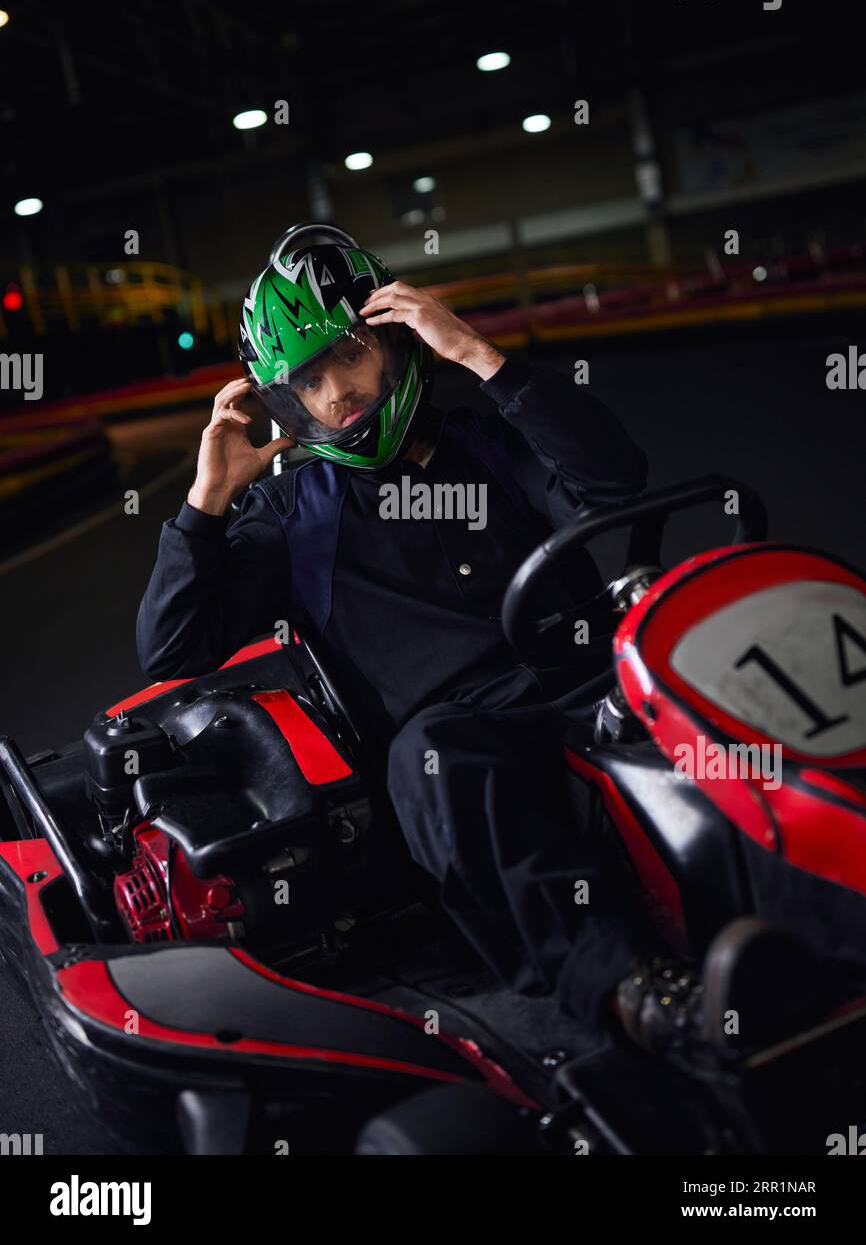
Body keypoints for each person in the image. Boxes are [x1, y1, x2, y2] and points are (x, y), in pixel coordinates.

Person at [136, 233, 840, 1056]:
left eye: (347, 357)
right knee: (432, 754)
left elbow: (613, 481)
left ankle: (823, 884)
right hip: (470, 740)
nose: (335, 395)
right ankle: (633, 989)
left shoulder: (484, 442)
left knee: (741, 642)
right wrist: (206, 503)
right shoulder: (292, 517)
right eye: (308, 381)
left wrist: (480, 355)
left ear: (395, 334)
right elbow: (173, 652)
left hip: (600, 685)